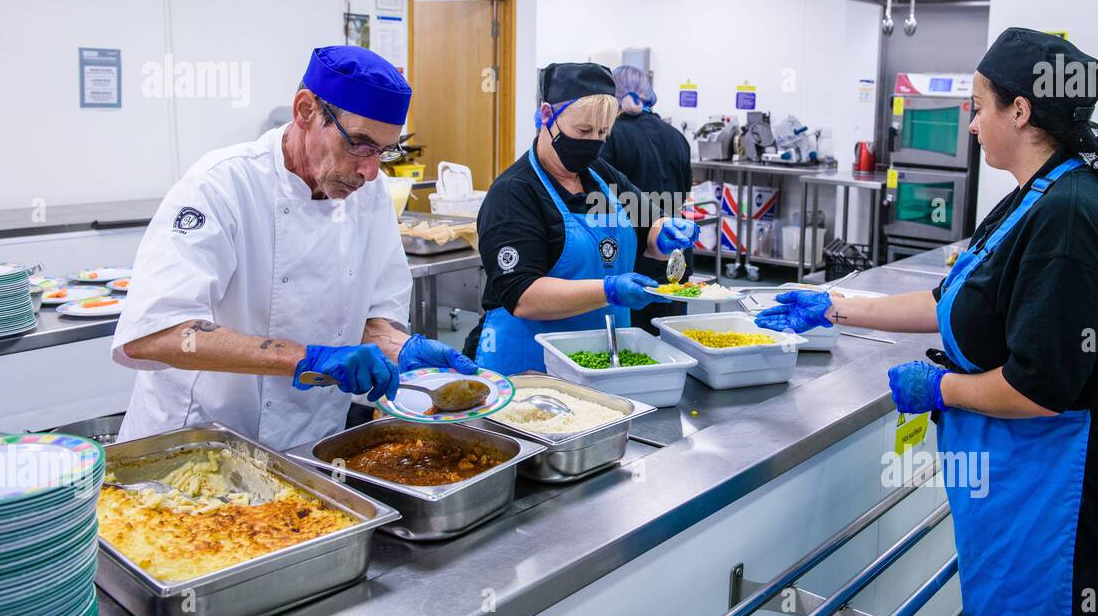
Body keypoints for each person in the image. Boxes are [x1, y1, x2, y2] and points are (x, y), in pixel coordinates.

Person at [756, 28, 1098, 616]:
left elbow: (1040, 387)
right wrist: (836, 307)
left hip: (1056, 474)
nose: (970, 124)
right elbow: (951, 303)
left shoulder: (1069, 215)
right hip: (1018, 467)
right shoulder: (1031, 196)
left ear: (1020, 111)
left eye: (979, 106)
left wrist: (944, 388)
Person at [112, 46, 476, 450]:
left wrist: (397, 347)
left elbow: (375, 314)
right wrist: (307, 358)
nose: (371, 171)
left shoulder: (368, 193)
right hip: (201, 442)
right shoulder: (220, 186)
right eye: (359, 143)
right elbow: (154, 334)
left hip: (313, 442)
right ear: (305, 111)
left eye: (385, 151)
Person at [472, 62, 696, 374]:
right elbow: (523, 296)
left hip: (600, 364)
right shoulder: (515, 193)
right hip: (531, 371)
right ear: (547, 115)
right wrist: (609, 290)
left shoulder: (600, 177)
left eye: (603, 133)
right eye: (583, 131)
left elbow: (648, 226)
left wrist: (665, 233)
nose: (593, 142)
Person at [599, 65, 694, 333]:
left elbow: (601, 198)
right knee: (673, 337)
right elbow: (684, 190)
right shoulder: (676, 137)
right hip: (676, 252)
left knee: (634, 345)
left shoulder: (611, 136)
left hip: (631, 257)